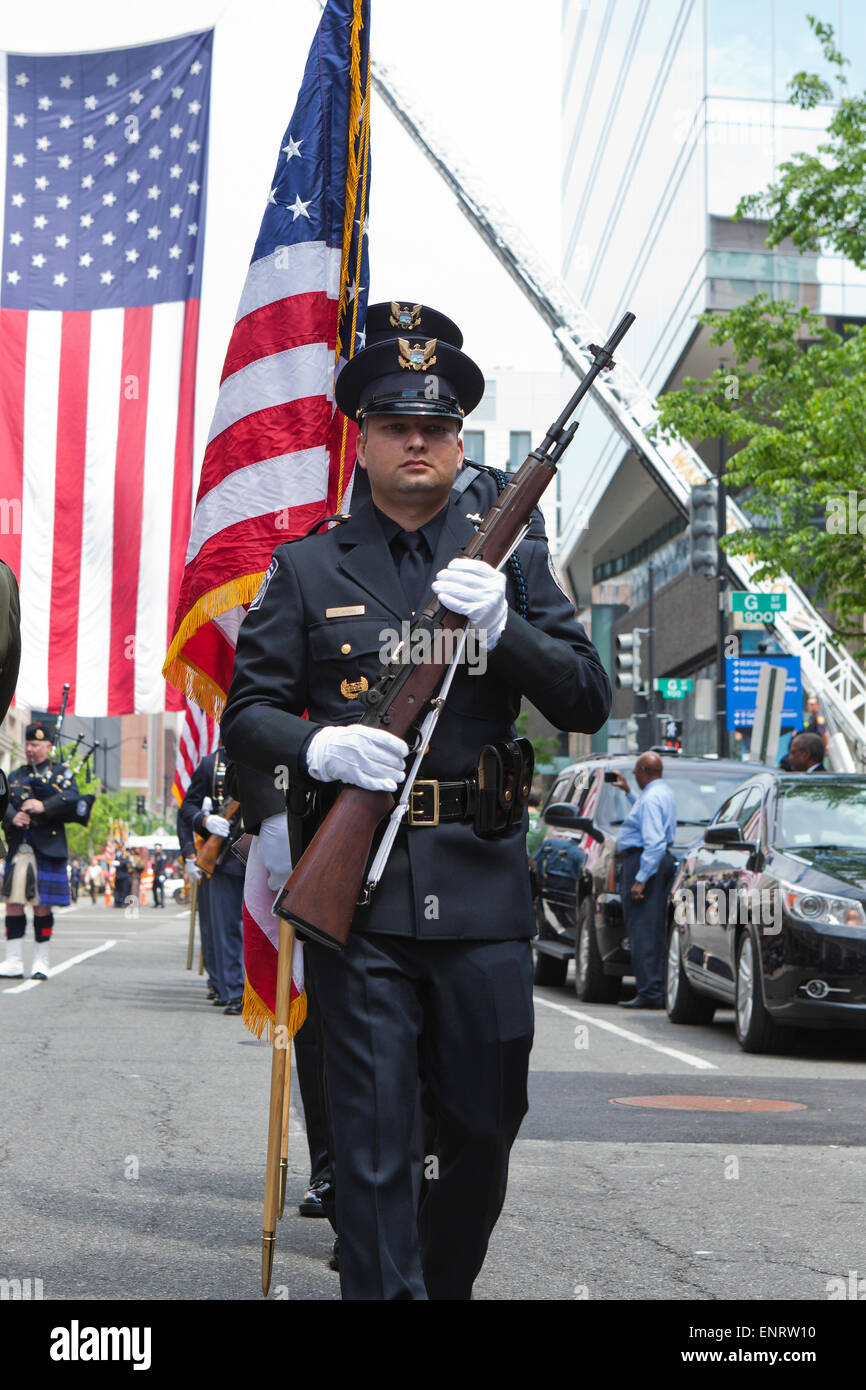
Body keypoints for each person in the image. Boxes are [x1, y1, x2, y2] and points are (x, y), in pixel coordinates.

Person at [221, 304, 611, 1300]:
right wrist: (323, 743)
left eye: (437, 429)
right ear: (365, 436)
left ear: (457, 442)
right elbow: (250, 717)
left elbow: (584, 696)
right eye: (398, 425)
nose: (419, 443)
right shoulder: (307, 568)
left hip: (479, 889)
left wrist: (506, 626)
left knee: (483, 1122)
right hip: (363, 903)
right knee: (375, 1129)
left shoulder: (507, 561)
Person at [0, 721, 80, 980]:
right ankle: (12, 962)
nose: (30, 749)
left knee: (42, 907)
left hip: (48, 849)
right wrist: (12, 816)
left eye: (35, 744)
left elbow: (74, 800)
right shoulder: (16, 776)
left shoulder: (61, 775)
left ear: (48, 746)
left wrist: (43, 805)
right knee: (13, 904)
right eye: (27, 744)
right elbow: (3, 802)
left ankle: (40, 962)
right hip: (20, 846)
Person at [178, 748, 245, 1014]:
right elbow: (186, 808)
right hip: (224, 858)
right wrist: (204, 820)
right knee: (225, 928)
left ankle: (252, 989)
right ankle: (233, 991)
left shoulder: (266, 755)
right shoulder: (210, 764)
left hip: (260, 855)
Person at [611, 752, 677, 1010]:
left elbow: (654, 842)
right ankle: (653, 988)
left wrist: (640, 879)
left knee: (643, 929)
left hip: (644, 862)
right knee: (652, 928)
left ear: (642, 770)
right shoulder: (662, 793)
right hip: (656, 862)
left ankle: (650, 991)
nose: (634, 777)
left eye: (635, 773)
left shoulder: (650, 798)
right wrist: (628, 793)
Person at [151, 843, 166, 908]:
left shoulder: (162, 855)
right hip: (156, 874)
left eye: (157, 848)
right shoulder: (155, 855)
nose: (156, 850)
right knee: (154, 889)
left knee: (161, 889)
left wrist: (162, 874)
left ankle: (162, 903)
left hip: (160, 874)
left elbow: (163, 865)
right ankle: (157, 902)